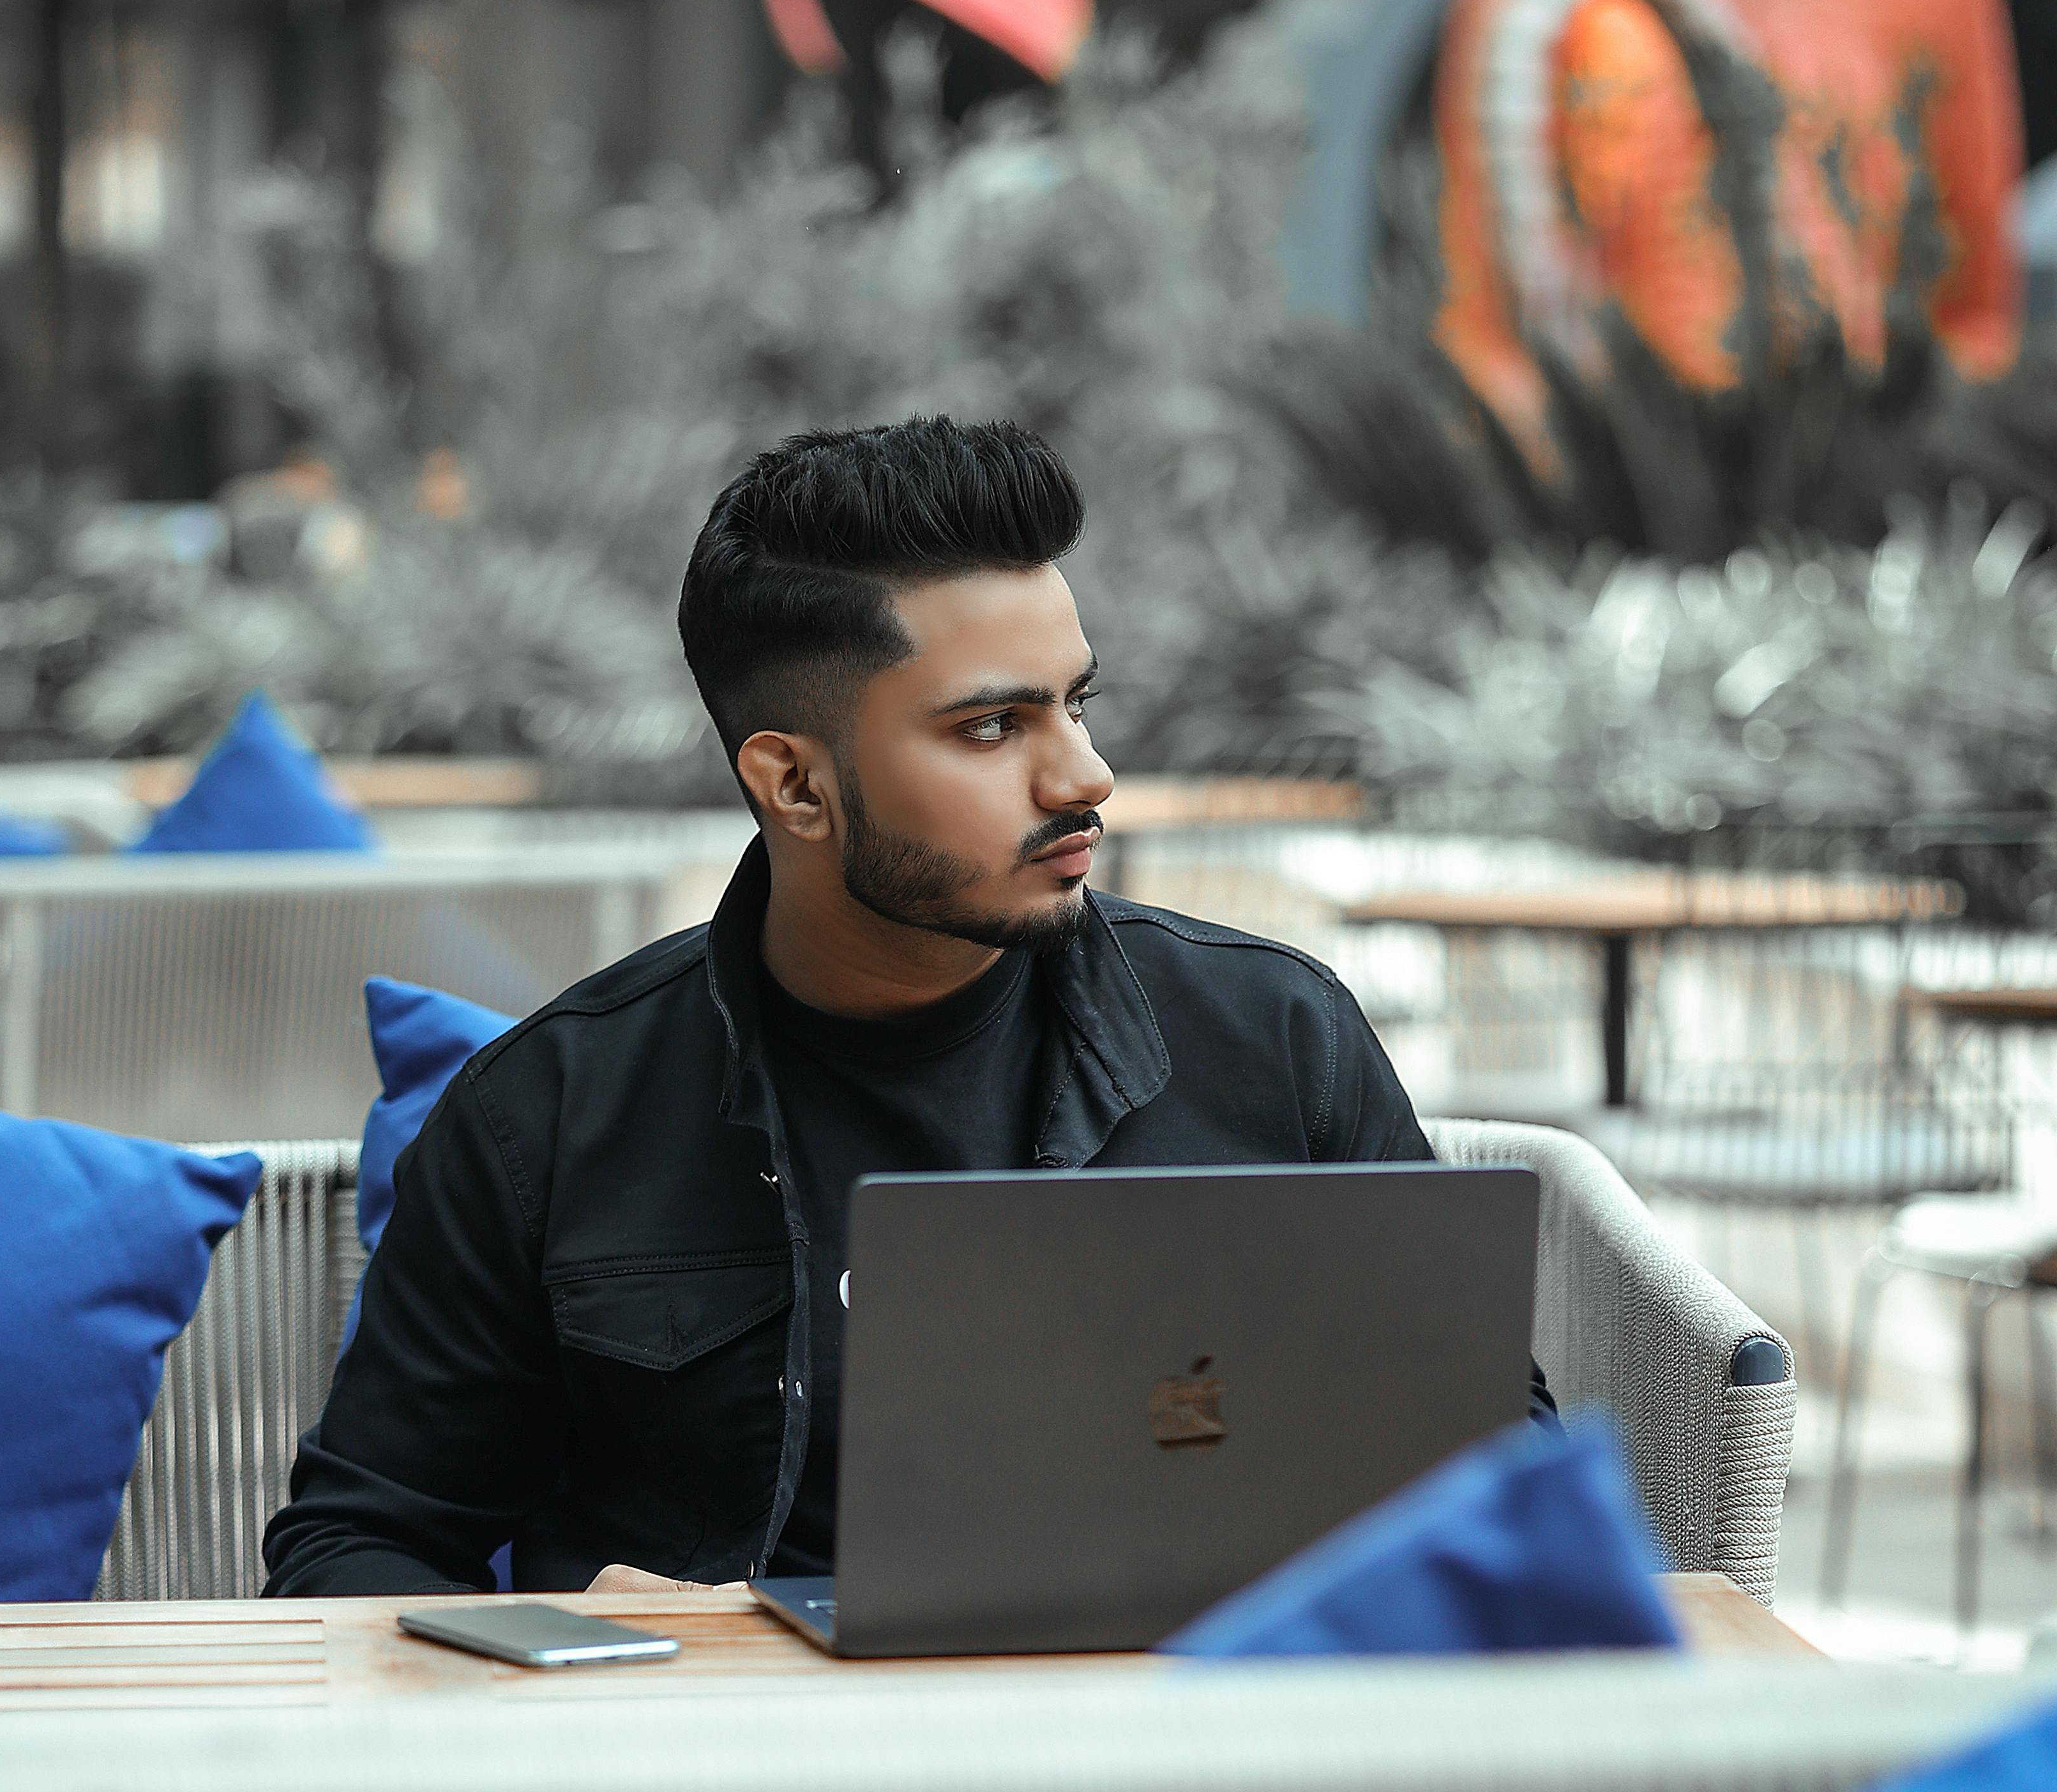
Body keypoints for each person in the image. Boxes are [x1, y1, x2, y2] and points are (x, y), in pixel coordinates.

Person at [264, 415, 1548, 1602]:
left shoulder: (1271, 1040)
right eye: (992, 728)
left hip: (1182, 1788)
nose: (1086, 773)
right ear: (796, 787)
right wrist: (598, 1655)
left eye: (1077, 701)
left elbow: (1503, 1463)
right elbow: (353, 1546)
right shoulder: (546, 1116)